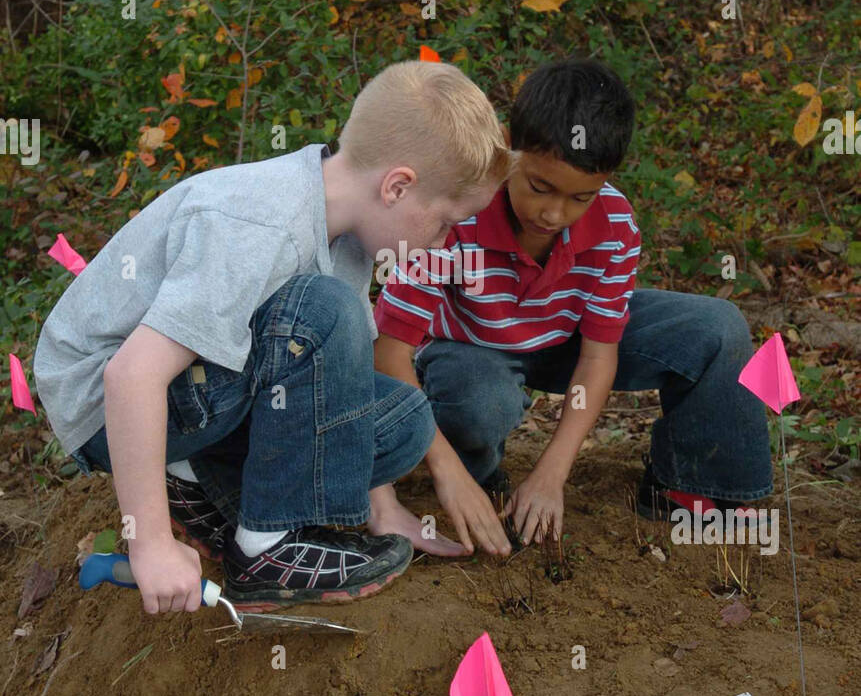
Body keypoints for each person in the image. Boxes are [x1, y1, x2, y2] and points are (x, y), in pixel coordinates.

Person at [33, 59, 512, 614]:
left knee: (404, 421)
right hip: (101, 402)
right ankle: (266, 550)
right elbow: (130, 374)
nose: (441, 244)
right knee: (326, 311)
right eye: (446, 223)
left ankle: (196, 478)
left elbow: (342, 383)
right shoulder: (262, 223)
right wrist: (149, 543)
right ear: (398, 186)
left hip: (194, 395)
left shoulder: (349, 240)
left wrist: (381, 508)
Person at [372, 56, 773, 556]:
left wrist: (550, 475)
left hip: (569, 339)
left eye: (580, 198)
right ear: (507, 152)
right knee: (477, 400)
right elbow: (389, 351)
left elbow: (599, 354)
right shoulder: (454, 213)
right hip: (475, 351)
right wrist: (447, 470)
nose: (554, 214)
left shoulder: (615, 224)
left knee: (716, 327)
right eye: (539, 187)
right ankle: (474, 468)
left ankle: (688, 484)